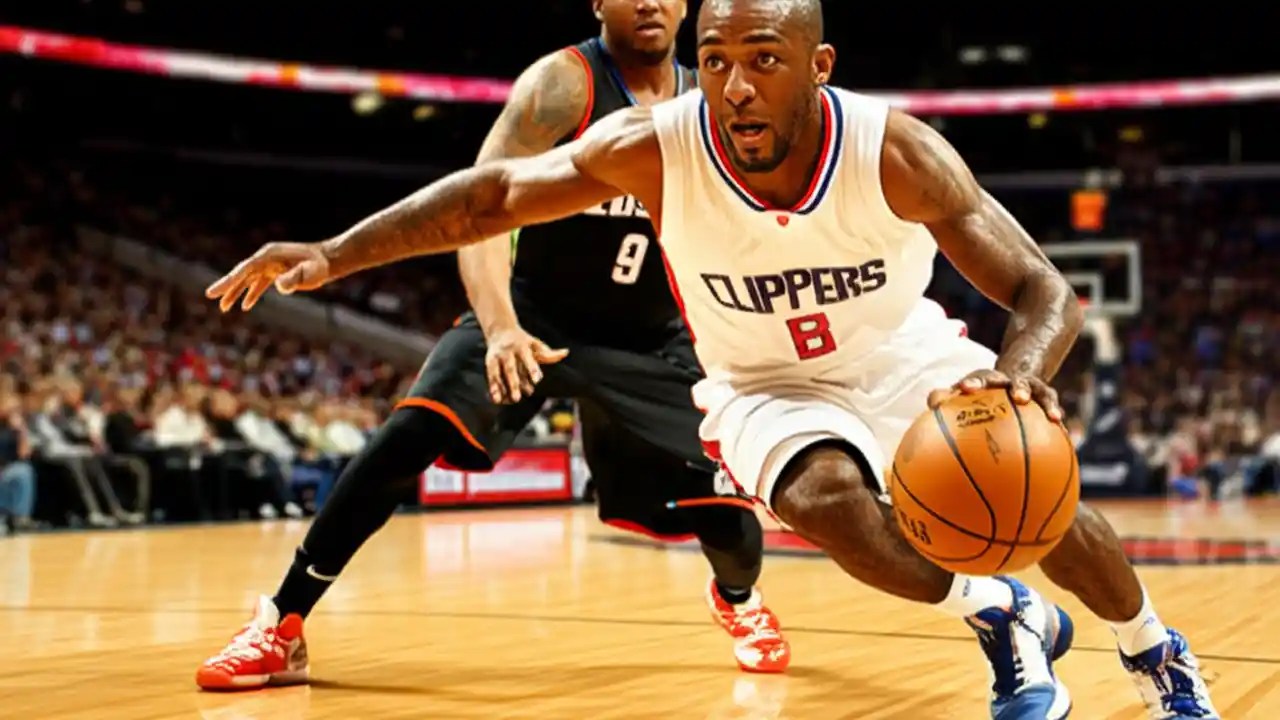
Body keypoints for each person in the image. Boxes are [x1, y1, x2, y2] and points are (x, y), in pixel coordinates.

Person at [207, 1, 1222, 717]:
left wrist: (1024, 374)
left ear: (818, 67)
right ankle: (998, 612)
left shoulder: (894, 151)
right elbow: (492, 196)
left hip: (893, 352)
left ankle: (1153, 650)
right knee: (828, 504)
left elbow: (1044, 288)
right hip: (756, 378)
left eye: (764, 60)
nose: (734, 85)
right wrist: (333, 253)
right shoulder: (651, 139)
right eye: (718, 58)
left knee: (1033, 494)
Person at [195, 0, 790, 692]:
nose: (649, 1)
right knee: (408, 434)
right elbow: (478, 209)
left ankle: (738, 599)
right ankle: (282, 622)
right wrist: (502, 326)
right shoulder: (563, 85)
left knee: (728, 512)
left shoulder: (710, 101)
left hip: (652, 338)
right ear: (599, 3)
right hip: (534, 316)